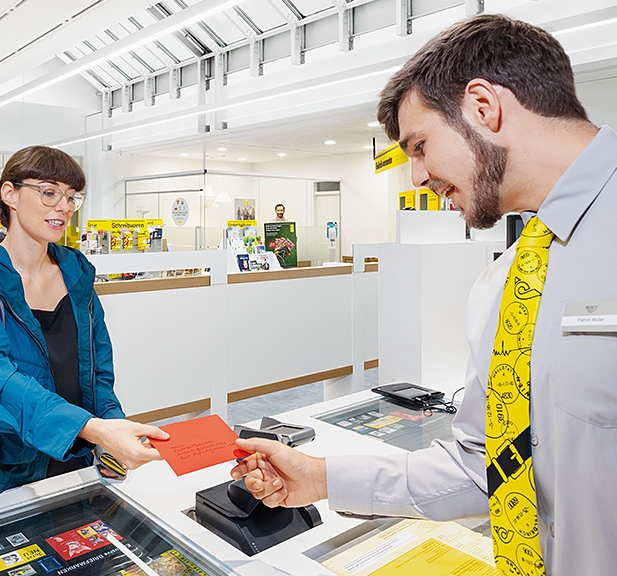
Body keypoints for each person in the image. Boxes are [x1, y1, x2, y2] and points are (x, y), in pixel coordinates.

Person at [231, 13, 617, 575]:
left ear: (483, 106)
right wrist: (320, 477)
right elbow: (485, 466)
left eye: (419, 145)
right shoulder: (508, 280)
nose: (416, 176)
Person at [0, 145, 168, 496]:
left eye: (71, 196)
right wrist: (92, 429)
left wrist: (111, 433)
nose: (64, 207)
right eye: (49, 192)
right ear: (9, 194)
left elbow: (97, 374)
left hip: (77, 457)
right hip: (6, 469)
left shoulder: (76, 271)